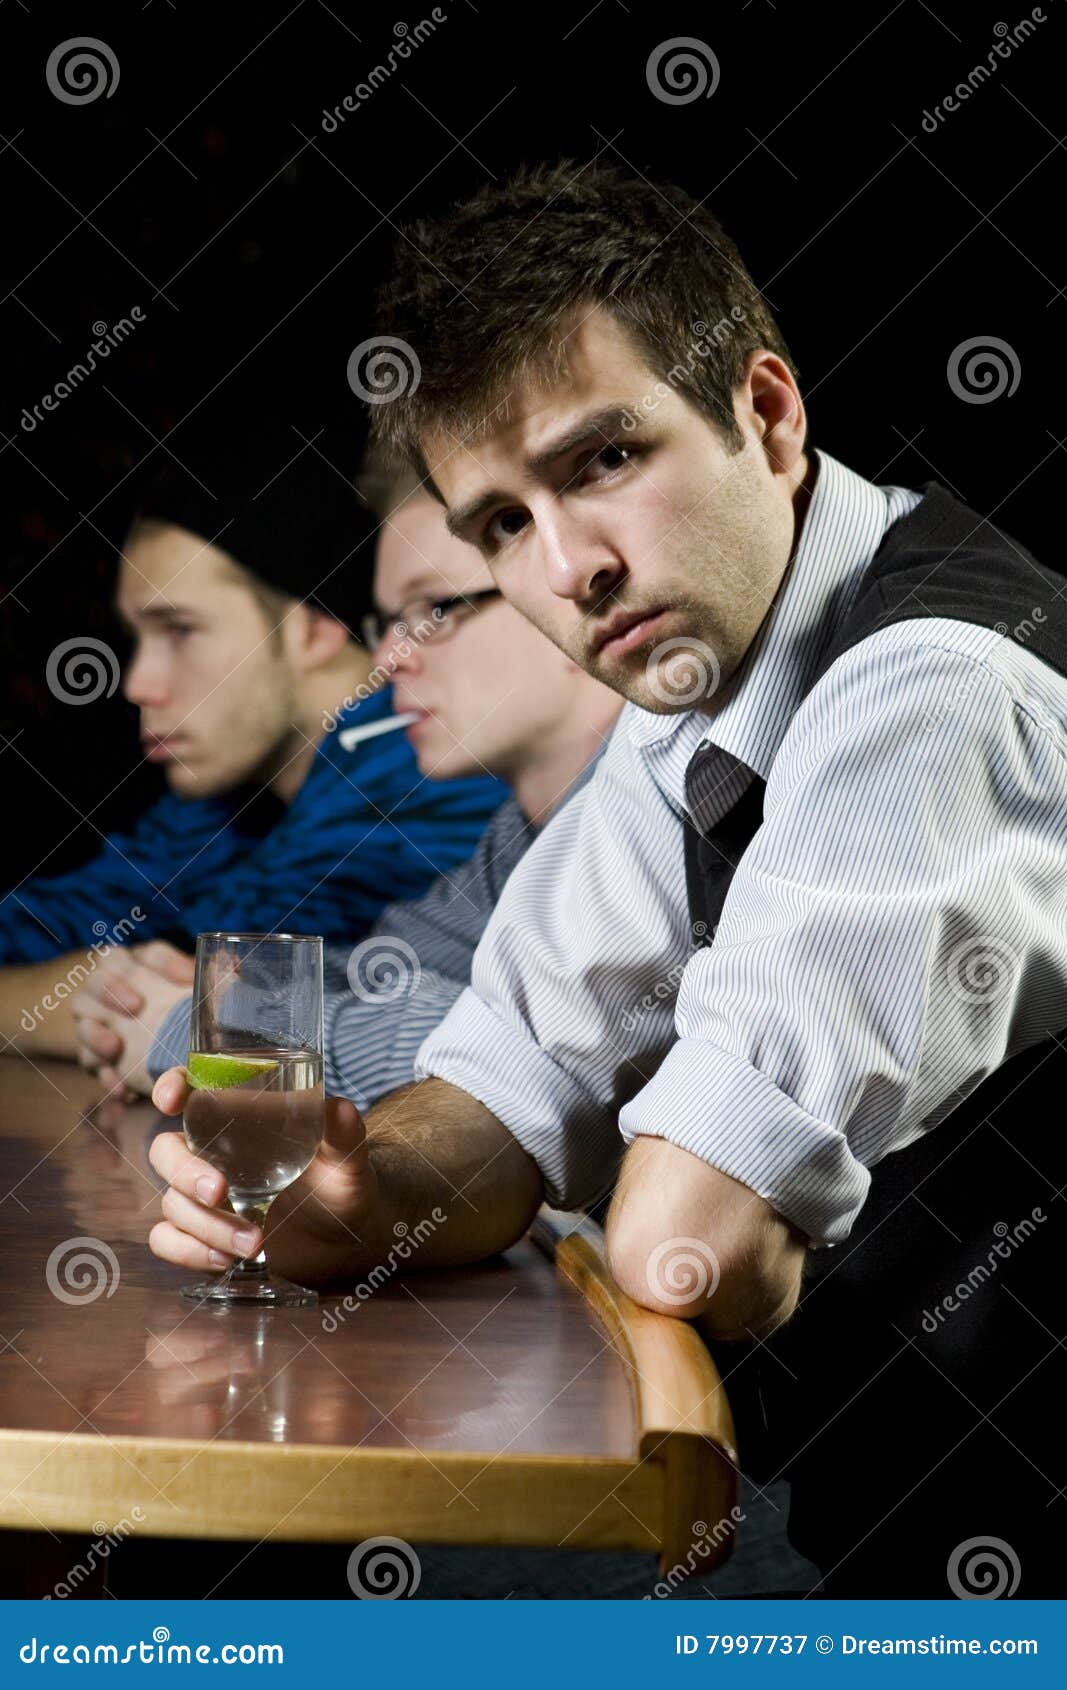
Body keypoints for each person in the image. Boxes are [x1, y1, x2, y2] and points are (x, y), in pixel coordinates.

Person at [145, 163, 1067, 1596]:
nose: (569, 566)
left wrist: (686, 1206)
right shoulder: (694, 703)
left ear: (765, 414)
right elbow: (508, 1083)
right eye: (503, 523)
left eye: (601, 461)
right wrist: (363, 1191)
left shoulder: (933, 686)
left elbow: (681, 1244)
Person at [70, 448, 622, 1100]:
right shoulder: (520, 834)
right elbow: (387, 976)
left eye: (433, 611)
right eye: (388, 623)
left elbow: (508, 1056)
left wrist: (187, 1030)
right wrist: (206, 1002)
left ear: (561, 590)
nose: (389, 660)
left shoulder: (646, 803)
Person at [0, 421, 507, 1067]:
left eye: (180, 630)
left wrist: (85, 991)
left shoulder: (426, 764)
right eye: (136, 638)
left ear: (315, 628)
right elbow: (60, 922)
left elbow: (207, 994)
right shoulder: (222, 796)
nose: (137, 683)